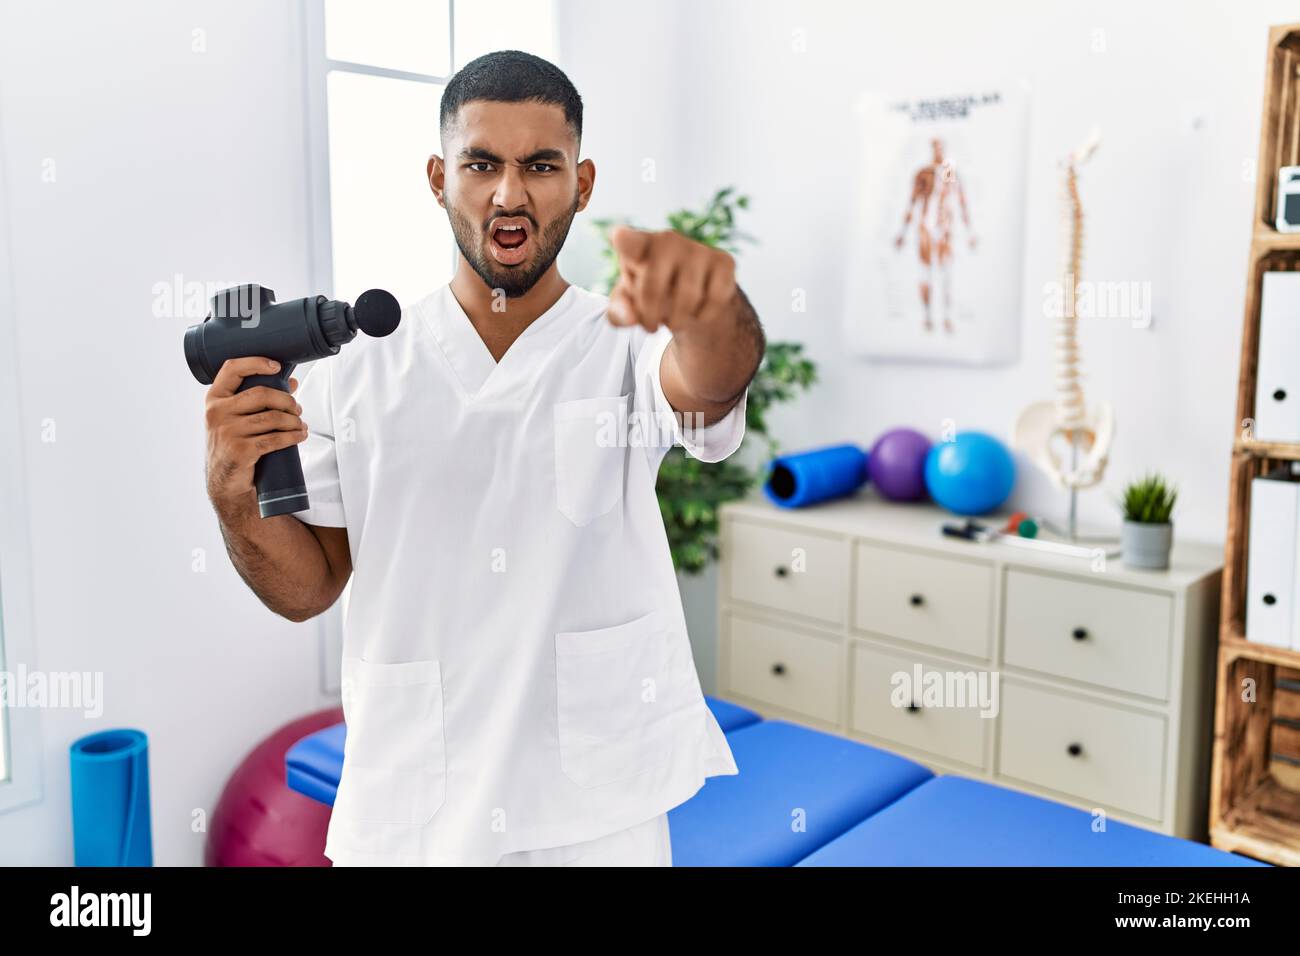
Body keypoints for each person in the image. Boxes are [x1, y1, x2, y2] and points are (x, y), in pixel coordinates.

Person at [201, 50, 764, 866]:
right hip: (410, 807)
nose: (510, 193)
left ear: (583, 181)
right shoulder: (356, 373)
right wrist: (229, 492)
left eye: (541, 165)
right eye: (482, 164)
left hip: (596, 812)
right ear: (439, 177)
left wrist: (713, 309)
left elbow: (707, 387)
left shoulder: (630, 347)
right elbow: (305, 589)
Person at [893, 137, 977, 333]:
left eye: (942, 147)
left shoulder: (948, 171)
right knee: (926, 273)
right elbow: (912, 202)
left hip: (944, 228)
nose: (939, 151)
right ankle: (927, 316)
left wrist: (969, 232)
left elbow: (960, 200)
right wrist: (903, 232)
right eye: (936, 147)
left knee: (945, 272)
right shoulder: (924, 173)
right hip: (925, 228)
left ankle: (946, 316)